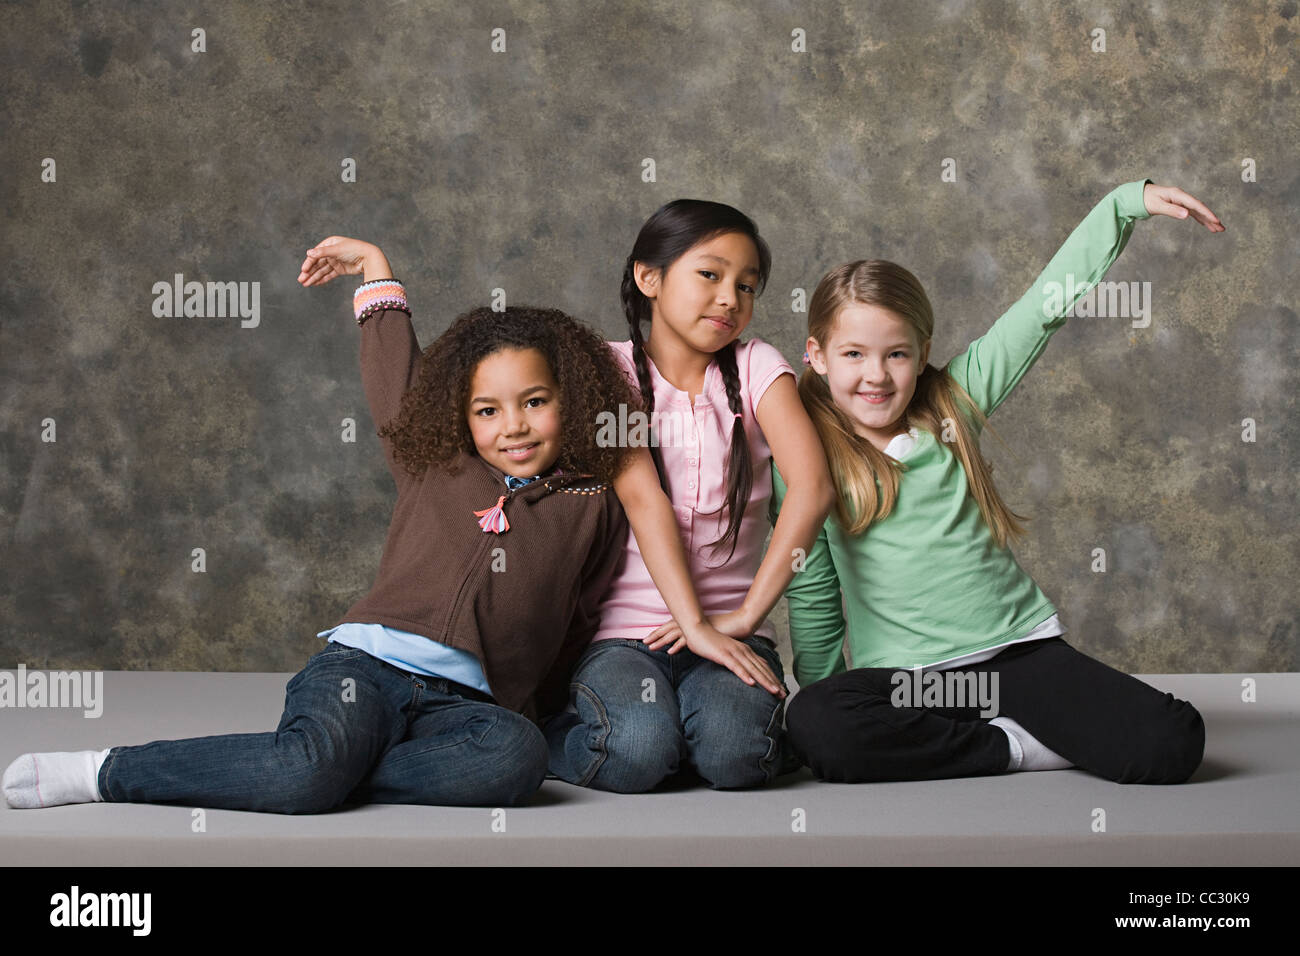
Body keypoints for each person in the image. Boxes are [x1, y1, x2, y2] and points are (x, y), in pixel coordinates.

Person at [2, 237, 639, 811]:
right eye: (488, 410)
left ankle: (331, 766)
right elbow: (396, 380)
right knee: (306, 778)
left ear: (568, 400)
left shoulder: (591, 502)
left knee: (516, 758)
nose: (514, 426)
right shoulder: (436, 465)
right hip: (365, 672)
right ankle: (105, 771)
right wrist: (376, 271)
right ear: (463, 418)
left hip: (464, 707)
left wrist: (539, 705)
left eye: (534, 402)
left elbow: (577, 619)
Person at [773, 180, 1223, 784]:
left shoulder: (954, 405)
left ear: (923, 350)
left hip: (1016, 660)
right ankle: (1012, 749)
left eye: (896, 354)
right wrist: (828, 696)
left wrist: (1123, 204)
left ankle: (1019, 734)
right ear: (817, 355)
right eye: (853, 354)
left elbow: (1042, 309)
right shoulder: (805, 458)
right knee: (818, 722)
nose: (875, 376)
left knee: (1173, 742)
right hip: (912, 684)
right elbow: (813, 590)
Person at [545, 200, 836, 792]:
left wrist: (745, 617)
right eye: (711, 274)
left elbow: (813, 487)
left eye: (747, 286)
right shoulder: (610, 370)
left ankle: (708, 731)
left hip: (733, 633)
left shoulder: (758, 367)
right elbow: (644, 501)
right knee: (638, 754)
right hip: (626, 638)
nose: (731, 298)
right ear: (648, 277)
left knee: (735, 761)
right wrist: (693, 624)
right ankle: (540, 731)